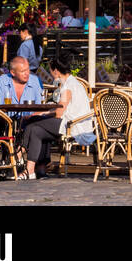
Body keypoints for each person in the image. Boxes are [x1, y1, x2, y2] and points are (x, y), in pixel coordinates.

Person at [16, 52, 95, 181]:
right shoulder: (72, 82)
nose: (50, 73)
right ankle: (30, 170)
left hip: (72, 125)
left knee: (32, 123)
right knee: (36, 130)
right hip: (73, 122)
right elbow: (61, 109)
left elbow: (59, 113)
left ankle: (19, 155)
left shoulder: (67, 86)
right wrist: (43, 113)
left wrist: (42, 113)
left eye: (51, 70)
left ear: (56, 71)